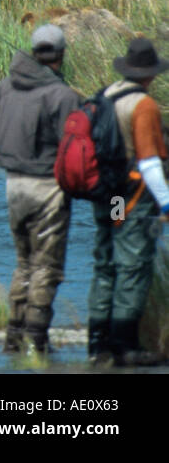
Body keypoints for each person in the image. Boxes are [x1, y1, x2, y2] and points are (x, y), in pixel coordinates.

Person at [0, 24, 81, 354]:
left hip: (13, 186)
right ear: (60, 55)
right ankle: (36, 340)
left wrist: (1, 126)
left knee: (25, 262)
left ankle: (14, 337)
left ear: (34, 52)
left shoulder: (6, 88)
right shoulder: (64, 95)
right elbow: (79, 144)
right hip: (48, 188)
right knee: (47, 267)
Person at [87, 38, 169, 366]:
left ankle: (98, 346)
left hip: (106, 194)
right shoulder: (144, 105)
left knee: (106, 263)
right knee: (133, 265)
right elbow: (148, 163)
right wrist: (166, 203)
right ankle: (125, 346)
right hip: (129, 195)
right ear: (150, 74)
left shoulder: (105, 94)